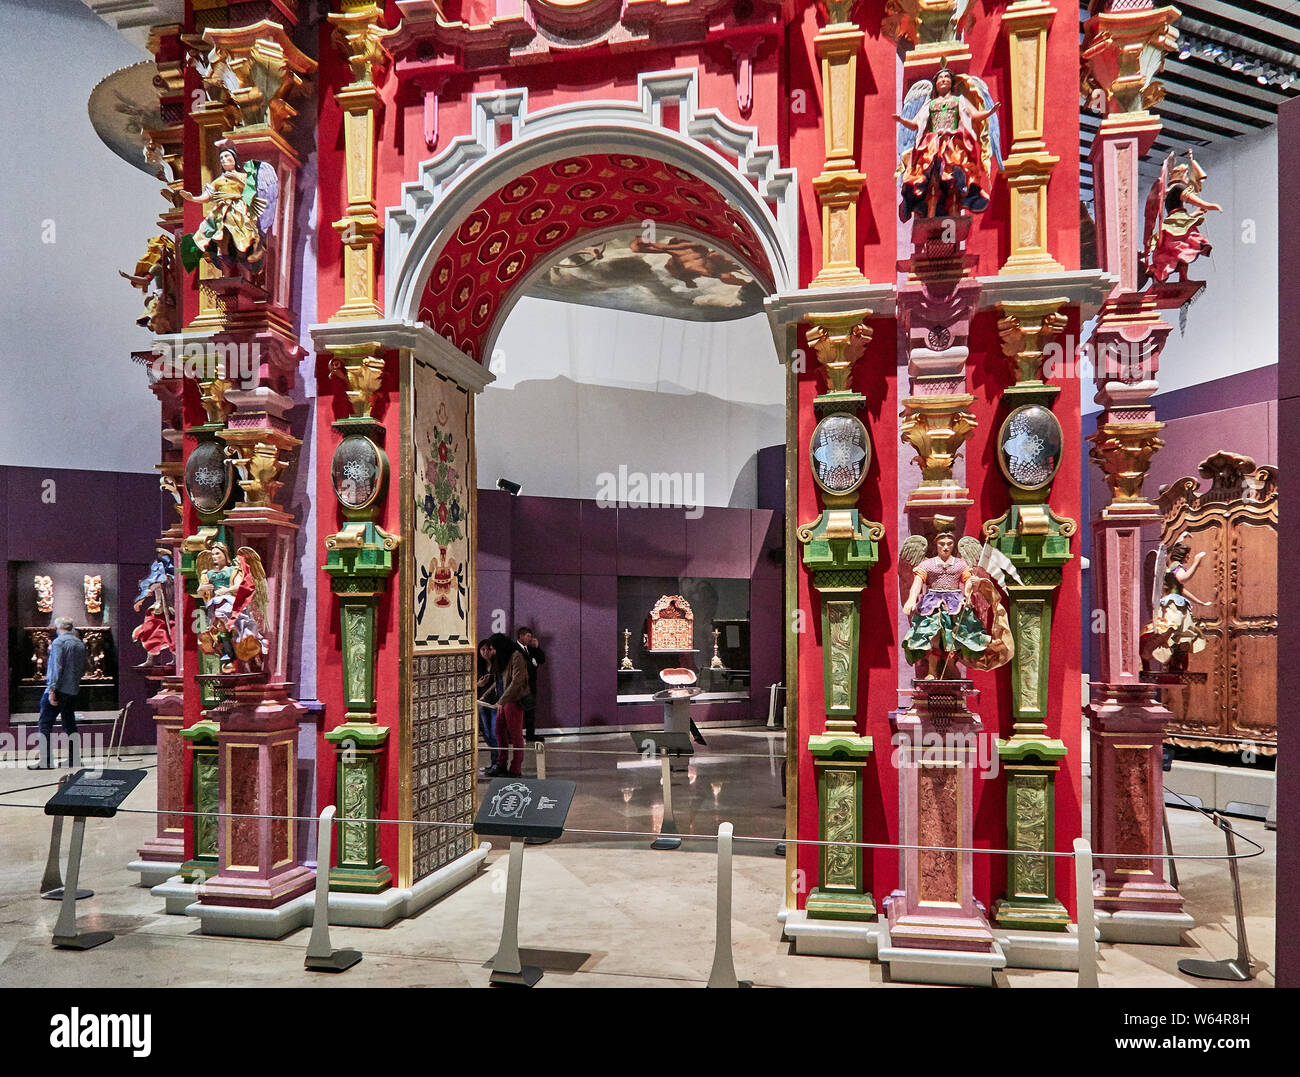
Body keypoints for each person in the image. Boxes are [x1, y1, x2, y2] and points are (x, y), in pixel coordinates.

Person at [30, 618, 88, 770]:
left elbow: (56, 667)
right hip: (72, 689)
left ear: (58, 627)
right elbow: (83, 668)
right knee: (69, 724)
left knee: (45, 724)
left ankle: (46, 761)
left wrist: (52, 689)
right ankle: (74, 759)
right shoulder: (79, 643)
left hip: (58, 689)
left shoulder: (58, 643)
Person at [479, 633, 529, 778]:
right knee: (499, 732)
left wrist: (501, 701)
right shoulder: (504, 657)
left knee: (515, 735)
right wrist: (487, 695)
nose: (492, 651)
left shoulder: (516, 656)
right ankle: (501, 764)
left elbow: (516, 682)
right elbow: (500, 679)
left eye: (493, 648)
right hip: (503, 701)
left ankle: (515, 768)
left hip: (513, 701)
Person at [514, 626, 546, 741]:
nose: (530, 639)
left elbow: (542, 660)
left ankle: (530, 734)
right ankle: (514, 735)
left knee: (530, 712)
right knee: (516, 712)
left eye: (531, 636)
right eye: (528, 636)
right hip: (518, 687)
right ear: (521, 636)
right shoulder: (514, 649)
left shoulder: (531, 649)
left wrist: (537, 647)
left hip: (530, 686)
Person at [476, 638, 500, 772]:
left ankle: (497, 763)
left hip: (494, 703)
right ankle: (494, 762)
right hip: (482, 703)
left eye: (488, 649)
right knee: (486, 733)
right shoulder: (479, 666)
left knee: (494, 732)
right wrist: (478, 685)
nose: (485, 652)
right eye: (483, 649)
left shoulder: (498, 666)